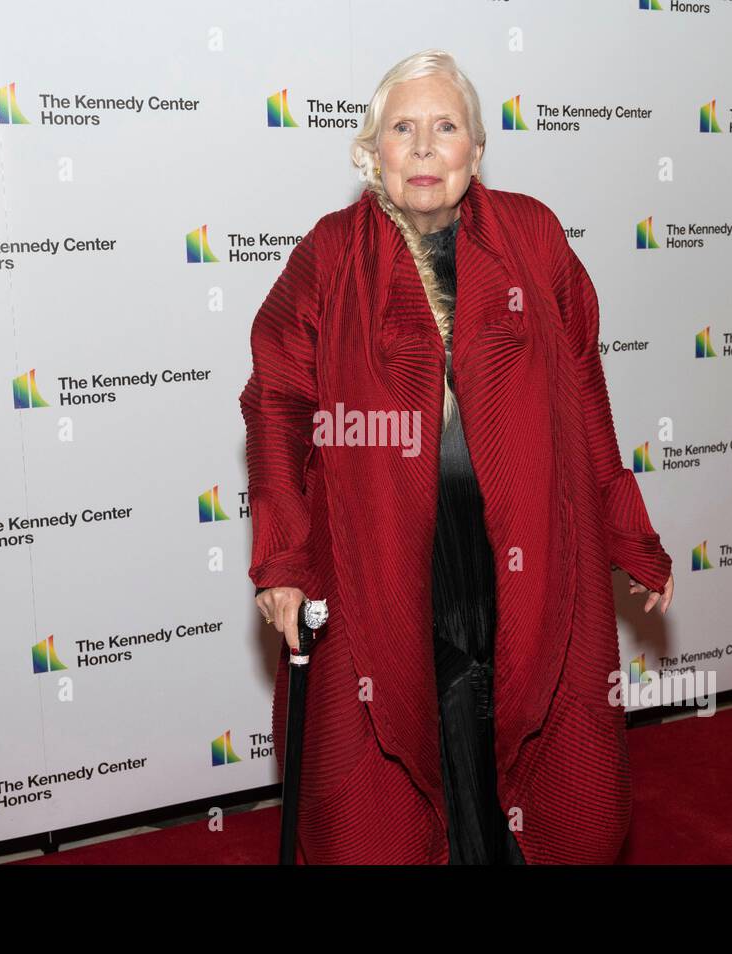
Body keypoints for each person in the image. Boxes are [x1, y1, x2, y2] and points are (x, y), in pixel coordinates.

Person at [243, 49, 674, 865]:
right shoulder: (329, 255)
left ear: (476, 149)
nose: (424, 147)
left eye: (445, 127)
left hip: (528, 550)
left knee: (530, 753)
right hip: (383, 561)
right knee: (408, 769)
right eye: (402, 128)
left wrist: (627, 533)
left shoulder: (534, 237)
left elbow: (584, 385)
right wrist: (284, 561)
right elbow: (276, 407)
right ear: (372, 149)